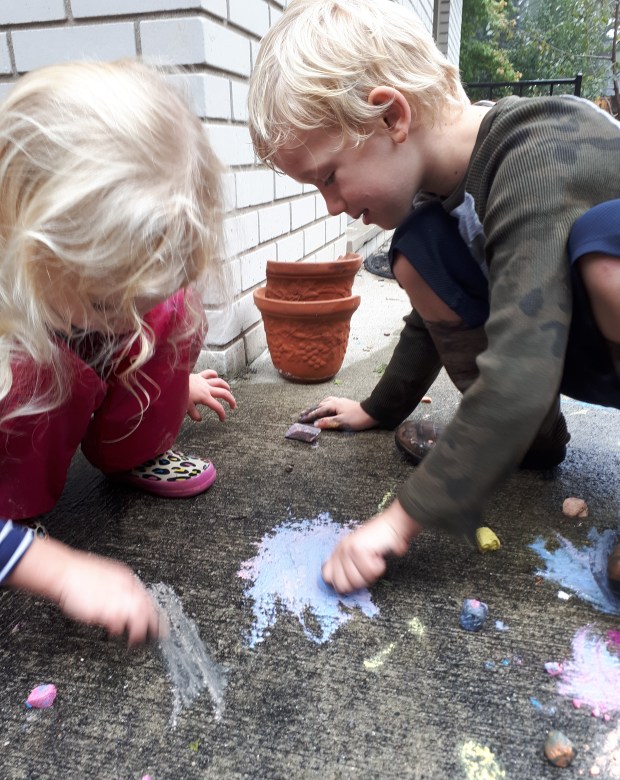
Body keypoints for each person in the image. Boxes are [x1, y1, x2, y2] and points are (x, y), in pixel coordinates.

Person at [248, 0, 620, 594]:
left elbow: (519, 371)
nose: (332, 205)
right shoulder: (439, 197)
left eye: (327, 177)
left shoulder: (535, 153)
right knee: (415, 249)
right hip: (572, 346)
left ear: (391, 115)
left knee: (607, 246)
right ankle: (525, 440)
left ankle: (510, 427)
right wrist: (379, 409)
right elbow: (431, 319)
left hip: (582, 325)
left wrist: (399, 520)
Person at [0, 59, 236, 643]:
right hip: (23, 365)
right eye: (109, 303)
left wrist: (174, 389)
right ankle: (16, 505)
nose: (132, 325)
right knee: (33, 366)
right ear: (31, 248)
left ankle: (134, 451)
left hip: (49, 321)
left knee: (172, 316)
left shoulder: (89, 294)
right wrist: (54, 570)